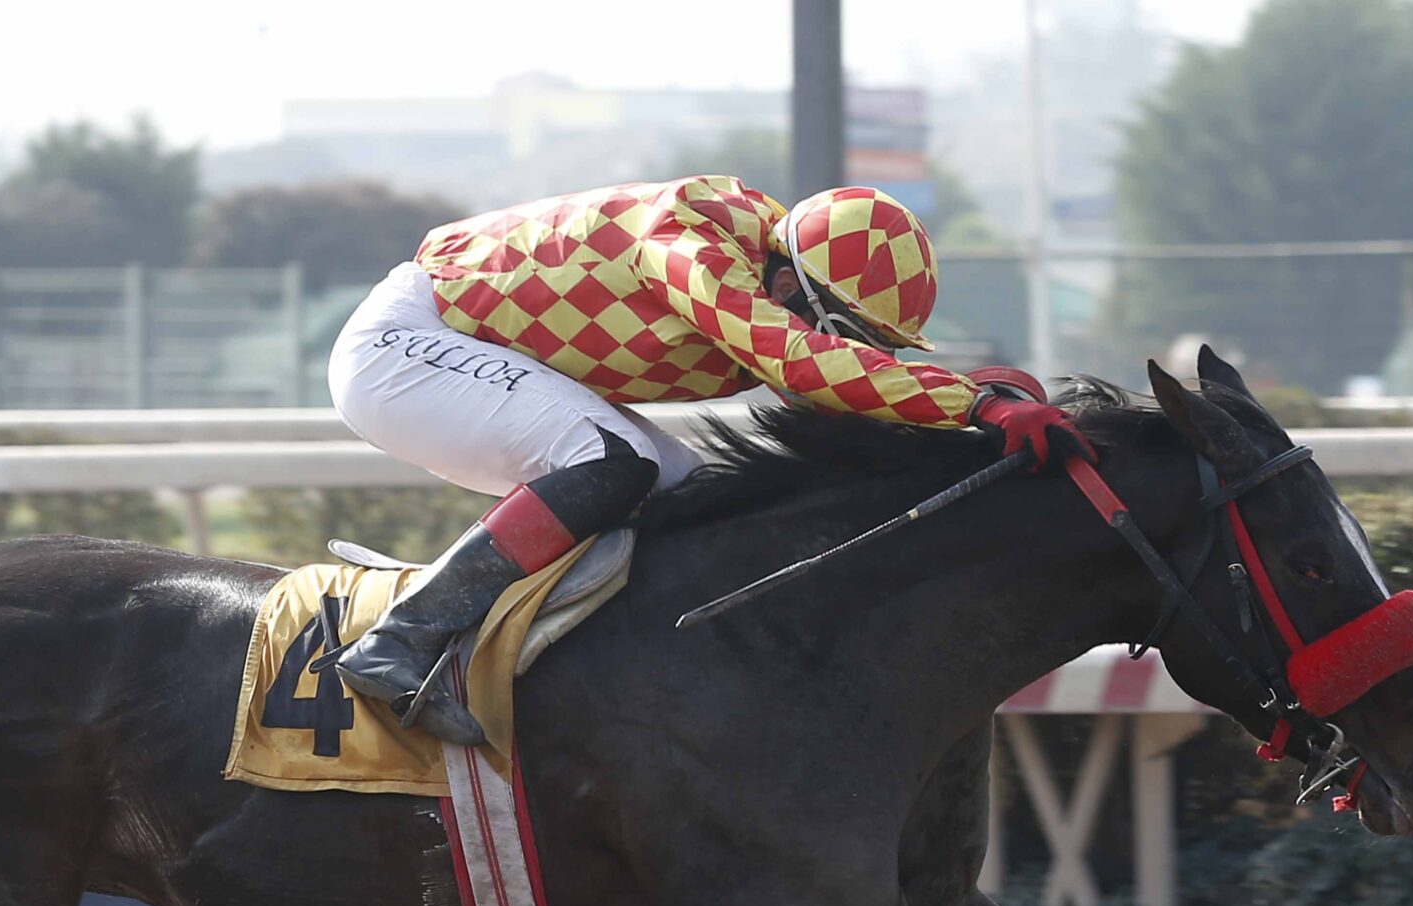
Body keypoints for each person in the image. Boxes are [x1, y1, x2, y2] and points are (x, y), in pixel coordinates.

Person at [325, 174, 1088, 744]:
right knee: (616, 461)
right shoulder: (692, 250)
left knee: (698, 503)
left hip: (469, 344)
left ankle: (577, 688)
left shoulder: (771, 263)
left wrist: (966, 400)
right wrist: (971, 400)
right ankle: (403, 639)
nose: (852, 355)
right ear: (786, 282)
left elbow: (819, 373)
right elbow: (798, 363)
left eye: (870, 347)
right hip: (404, 347)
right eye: (846, 333)